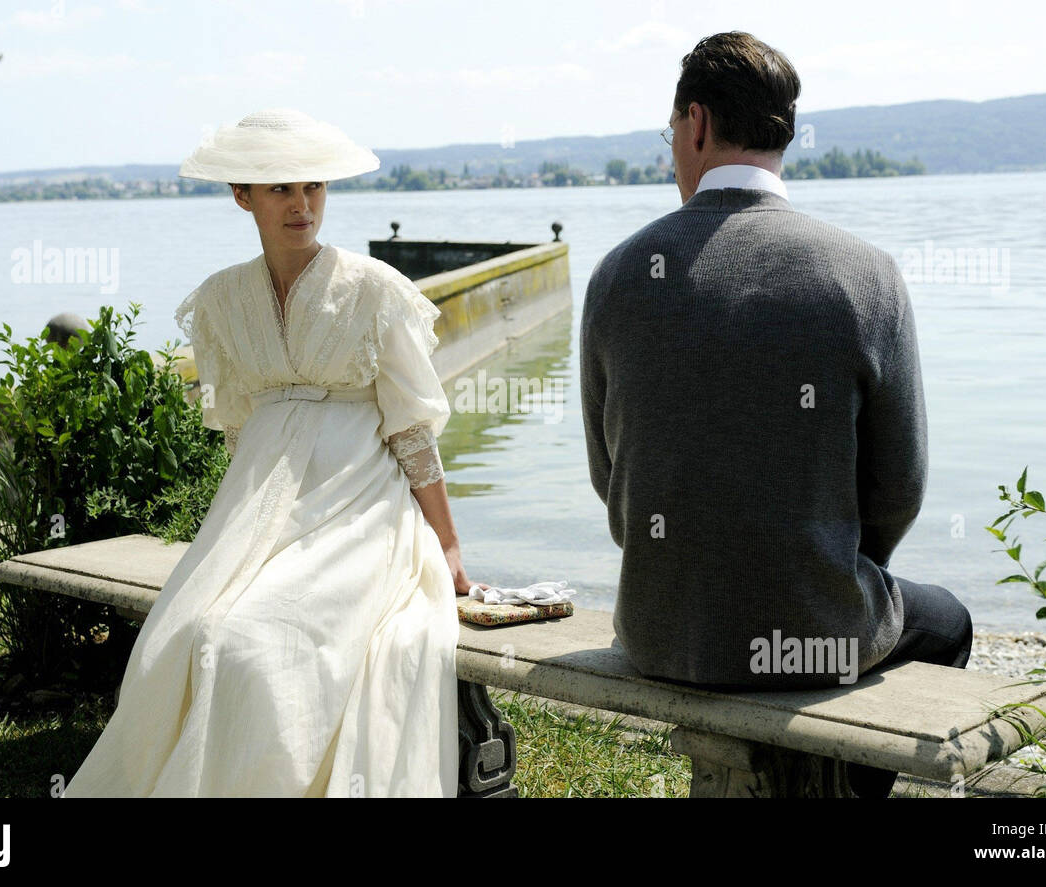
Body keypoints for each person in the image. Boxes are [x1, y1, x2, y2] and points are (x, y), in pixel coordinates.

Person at [579, 33, 972, 796]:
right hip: (814, 636)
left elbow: (611, 477)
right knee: (948, 620)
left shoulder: (616, 276)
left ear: (696, 124)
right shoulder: (867, 274)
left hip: (661, 634)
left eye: (670, 133)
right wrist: (824, 558)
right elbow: (899, 486)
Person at [63, 109, 486, 797]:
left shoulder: (375, 289)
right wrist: (240, 532)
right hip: (259, 512)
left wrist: (448, 544)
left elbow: (411, 428)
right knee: (185, 637)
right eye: (280, 188)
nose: (301, 205)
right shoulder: (222, 299)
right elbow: (240, 432)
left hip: (360, 512)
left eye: (313, 186)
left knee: (247, 646)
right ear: (243, 196)